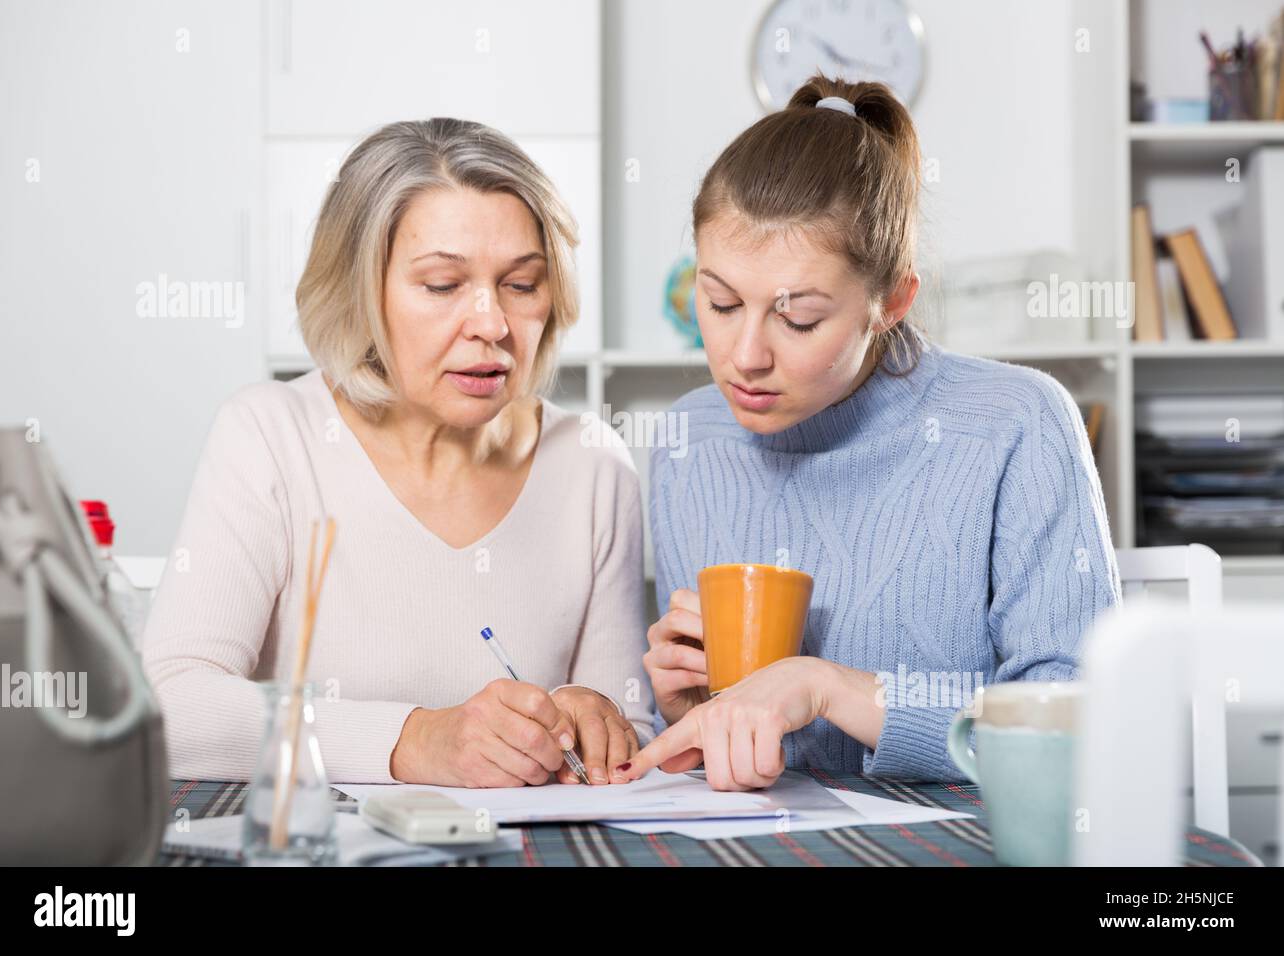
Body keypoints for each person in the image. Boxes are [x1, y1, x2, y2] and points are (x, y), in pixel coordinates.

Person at [617, 77, 1121, 791]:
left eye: (798, 319)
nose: (745, 355)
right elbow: (722, 755)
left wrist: (830, 689)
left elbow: (1084, 726)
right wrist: (694, 712)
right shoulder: (685, 440)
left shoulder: (1017, 426)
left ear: (892, 302)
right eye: (721, 301)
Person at [143, 119, 652, 786]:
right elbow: (170, 710)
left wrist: (596, 720)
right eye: (443, 285)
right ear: (361, 292)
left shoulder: (593, 464)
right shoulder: (270, 435)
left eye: (522, 284)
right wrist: (412, 740)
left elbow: (627, 736)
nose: (493, 324)